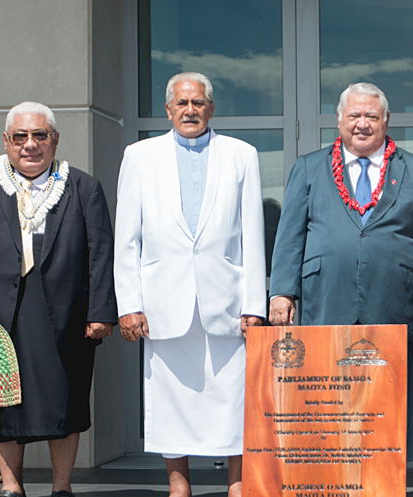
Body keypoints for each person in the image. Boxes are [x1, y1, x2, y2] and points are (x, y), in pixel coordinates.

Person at [268, 82, 413, 463]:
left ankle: (382, 483)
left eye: (371, 116)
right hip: (325, 299)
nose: (362, 124)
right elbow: (289, 236)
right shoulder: (308, 167)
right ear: (339, 120)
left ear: (386, 121)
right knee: (325, 403)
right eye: (354, 115)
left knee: (385, 403)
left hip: (392, 301)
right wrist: (282, 291)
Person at [0, 101, 117, 497]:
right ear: (6, 141)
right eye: (20, 136)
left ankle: (62, 488)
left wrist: (101, 312)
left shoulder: (84, 186)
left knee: (66, 403)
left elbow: (101, 254)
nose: (30, 145)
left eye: (40, 135)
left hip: (68, 315)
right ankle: (11, 487)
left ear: (54, 140)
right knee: (3, 403)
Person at [113, 72, 266, 497]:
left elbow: (252, 235)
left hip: (228, 304)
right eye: (181, 103)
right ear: (168, 110)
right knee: (168, 402)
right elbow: (127, 237)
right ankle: (179, 485)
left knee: (234, 399)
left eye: (198, 103)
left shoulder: (242, 154)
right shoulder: (139, 156)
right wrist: (128, 303)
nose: (190, 110)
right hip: (164, 301)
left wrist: (256, 304)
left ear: (211, 108)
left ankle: (238, 484)